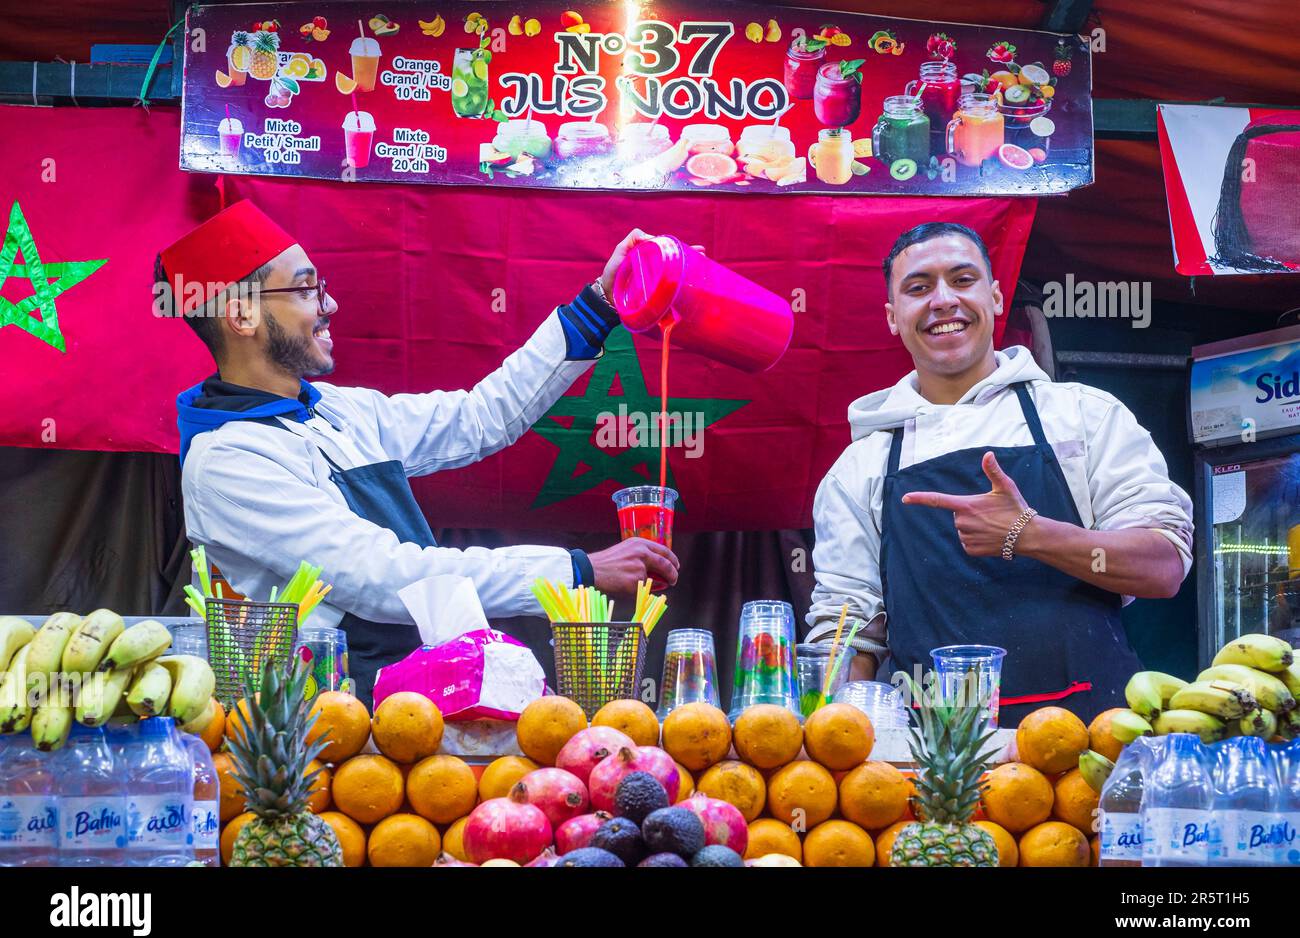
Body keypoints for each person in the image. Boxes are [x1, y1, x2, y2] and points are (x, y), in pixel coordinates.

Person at [158, 200, 678, 705]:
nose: (329, 305)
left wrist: (599, 304)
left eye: (321, 287)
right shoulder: (227, 460)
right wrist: (577, 570)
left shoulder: (335, 408)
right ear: (242, 316)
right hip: (330, 714)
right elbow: (387, 578)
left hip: (410, 693)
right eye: (305, 289)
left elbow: (479, 418)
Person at [805, 222, 1193, 723]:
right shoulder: (861, 468)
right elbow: (847, 631)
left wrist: (1030, 535)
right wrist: (833, 736)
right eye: (918, 288)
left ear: (995, 297)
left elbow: (1163, 568)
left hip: (1089, 740)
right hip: (935, 755)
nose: (943, 300)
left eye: (962, 280)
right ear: (893, 317)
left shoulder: (1083, 416)